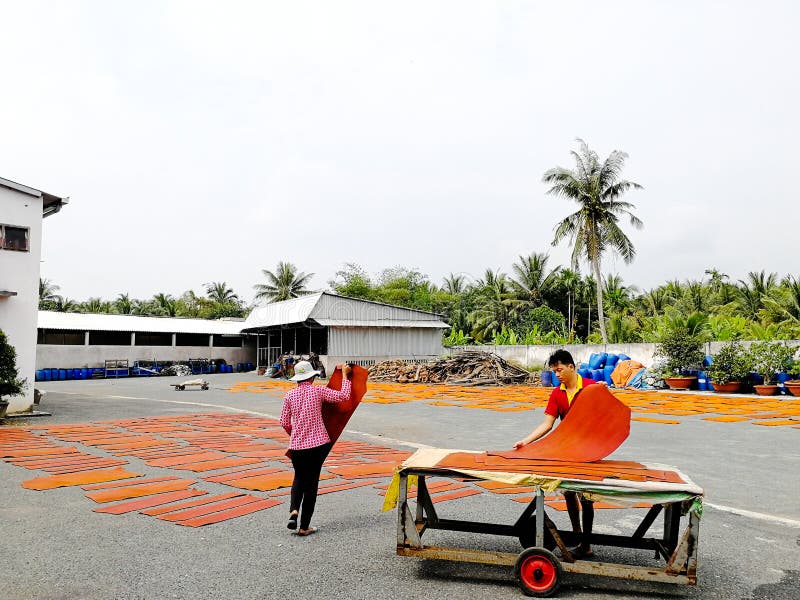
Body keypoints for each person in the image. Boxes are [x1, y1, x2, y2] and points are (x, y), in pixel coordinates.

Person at [514, 349, 600, 559]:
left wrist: (604, 392)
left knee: (587, 497)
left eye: (560, 370)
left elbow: (607, 414)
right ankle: (578, 535)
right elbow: (547, 424)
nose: (557, 374)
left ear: (571, 367)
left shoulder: (591, 387)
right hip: (569, 451)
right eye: (554, 371)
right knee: (569, 493)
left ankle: (586, 545)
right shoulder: (557, 393)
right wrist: (525, 441)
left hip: (590, 452)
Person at [280, 360, 352, 536]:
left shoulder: (289, 396)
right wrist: (345, 375)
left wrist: (295, 434)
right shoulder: (318, 391)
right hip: (317, 445)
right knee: (311, 485)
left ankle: (294, 510)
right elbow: (344, 396)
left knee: (298, 478)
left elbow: (283, 422)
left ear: (297, 378)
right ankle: (304, 527)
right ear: (312, 376)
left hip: (297, 447)